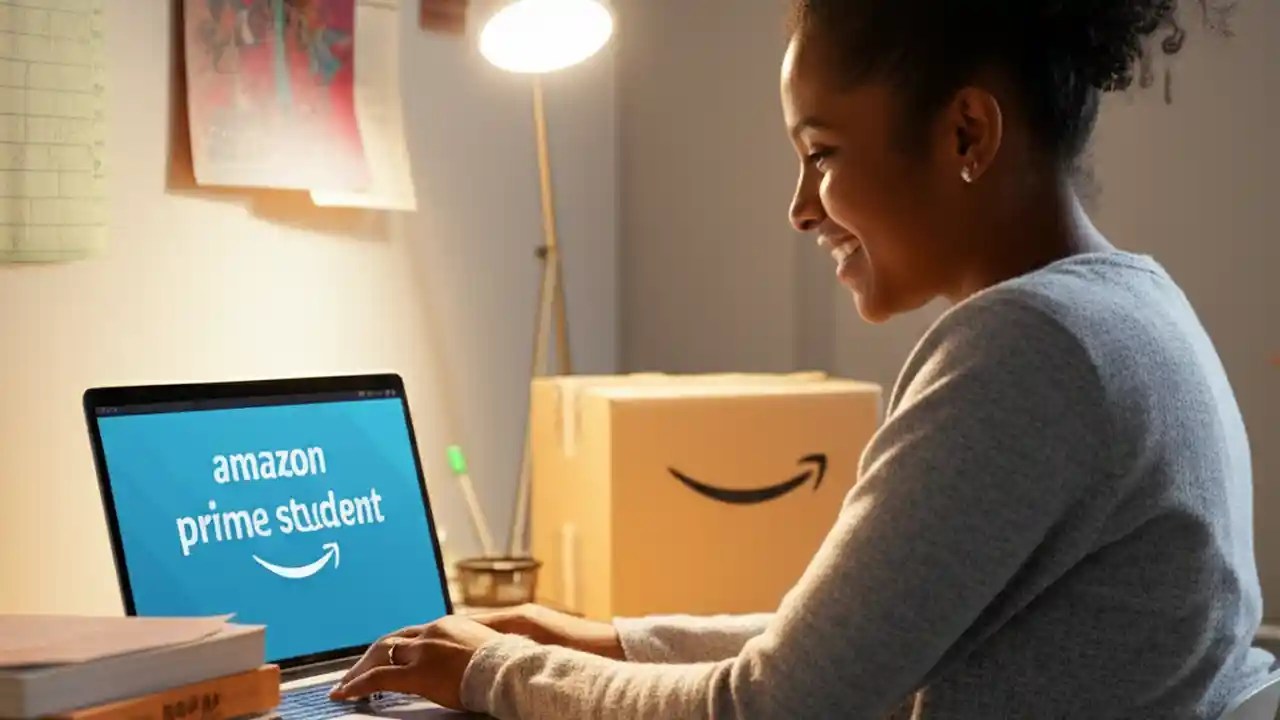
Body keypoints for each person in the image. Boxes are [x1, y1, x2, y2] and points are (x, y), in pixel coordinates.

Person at [329, 1, 1273, 717]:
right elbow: (855, 642)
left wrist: (494, 673)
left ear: (967, 134)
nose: (800, 206)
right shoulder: (1132, 307)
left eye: (820, 153)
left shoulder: (1029, 347)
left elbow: (775, 705)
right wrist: (601, 638)